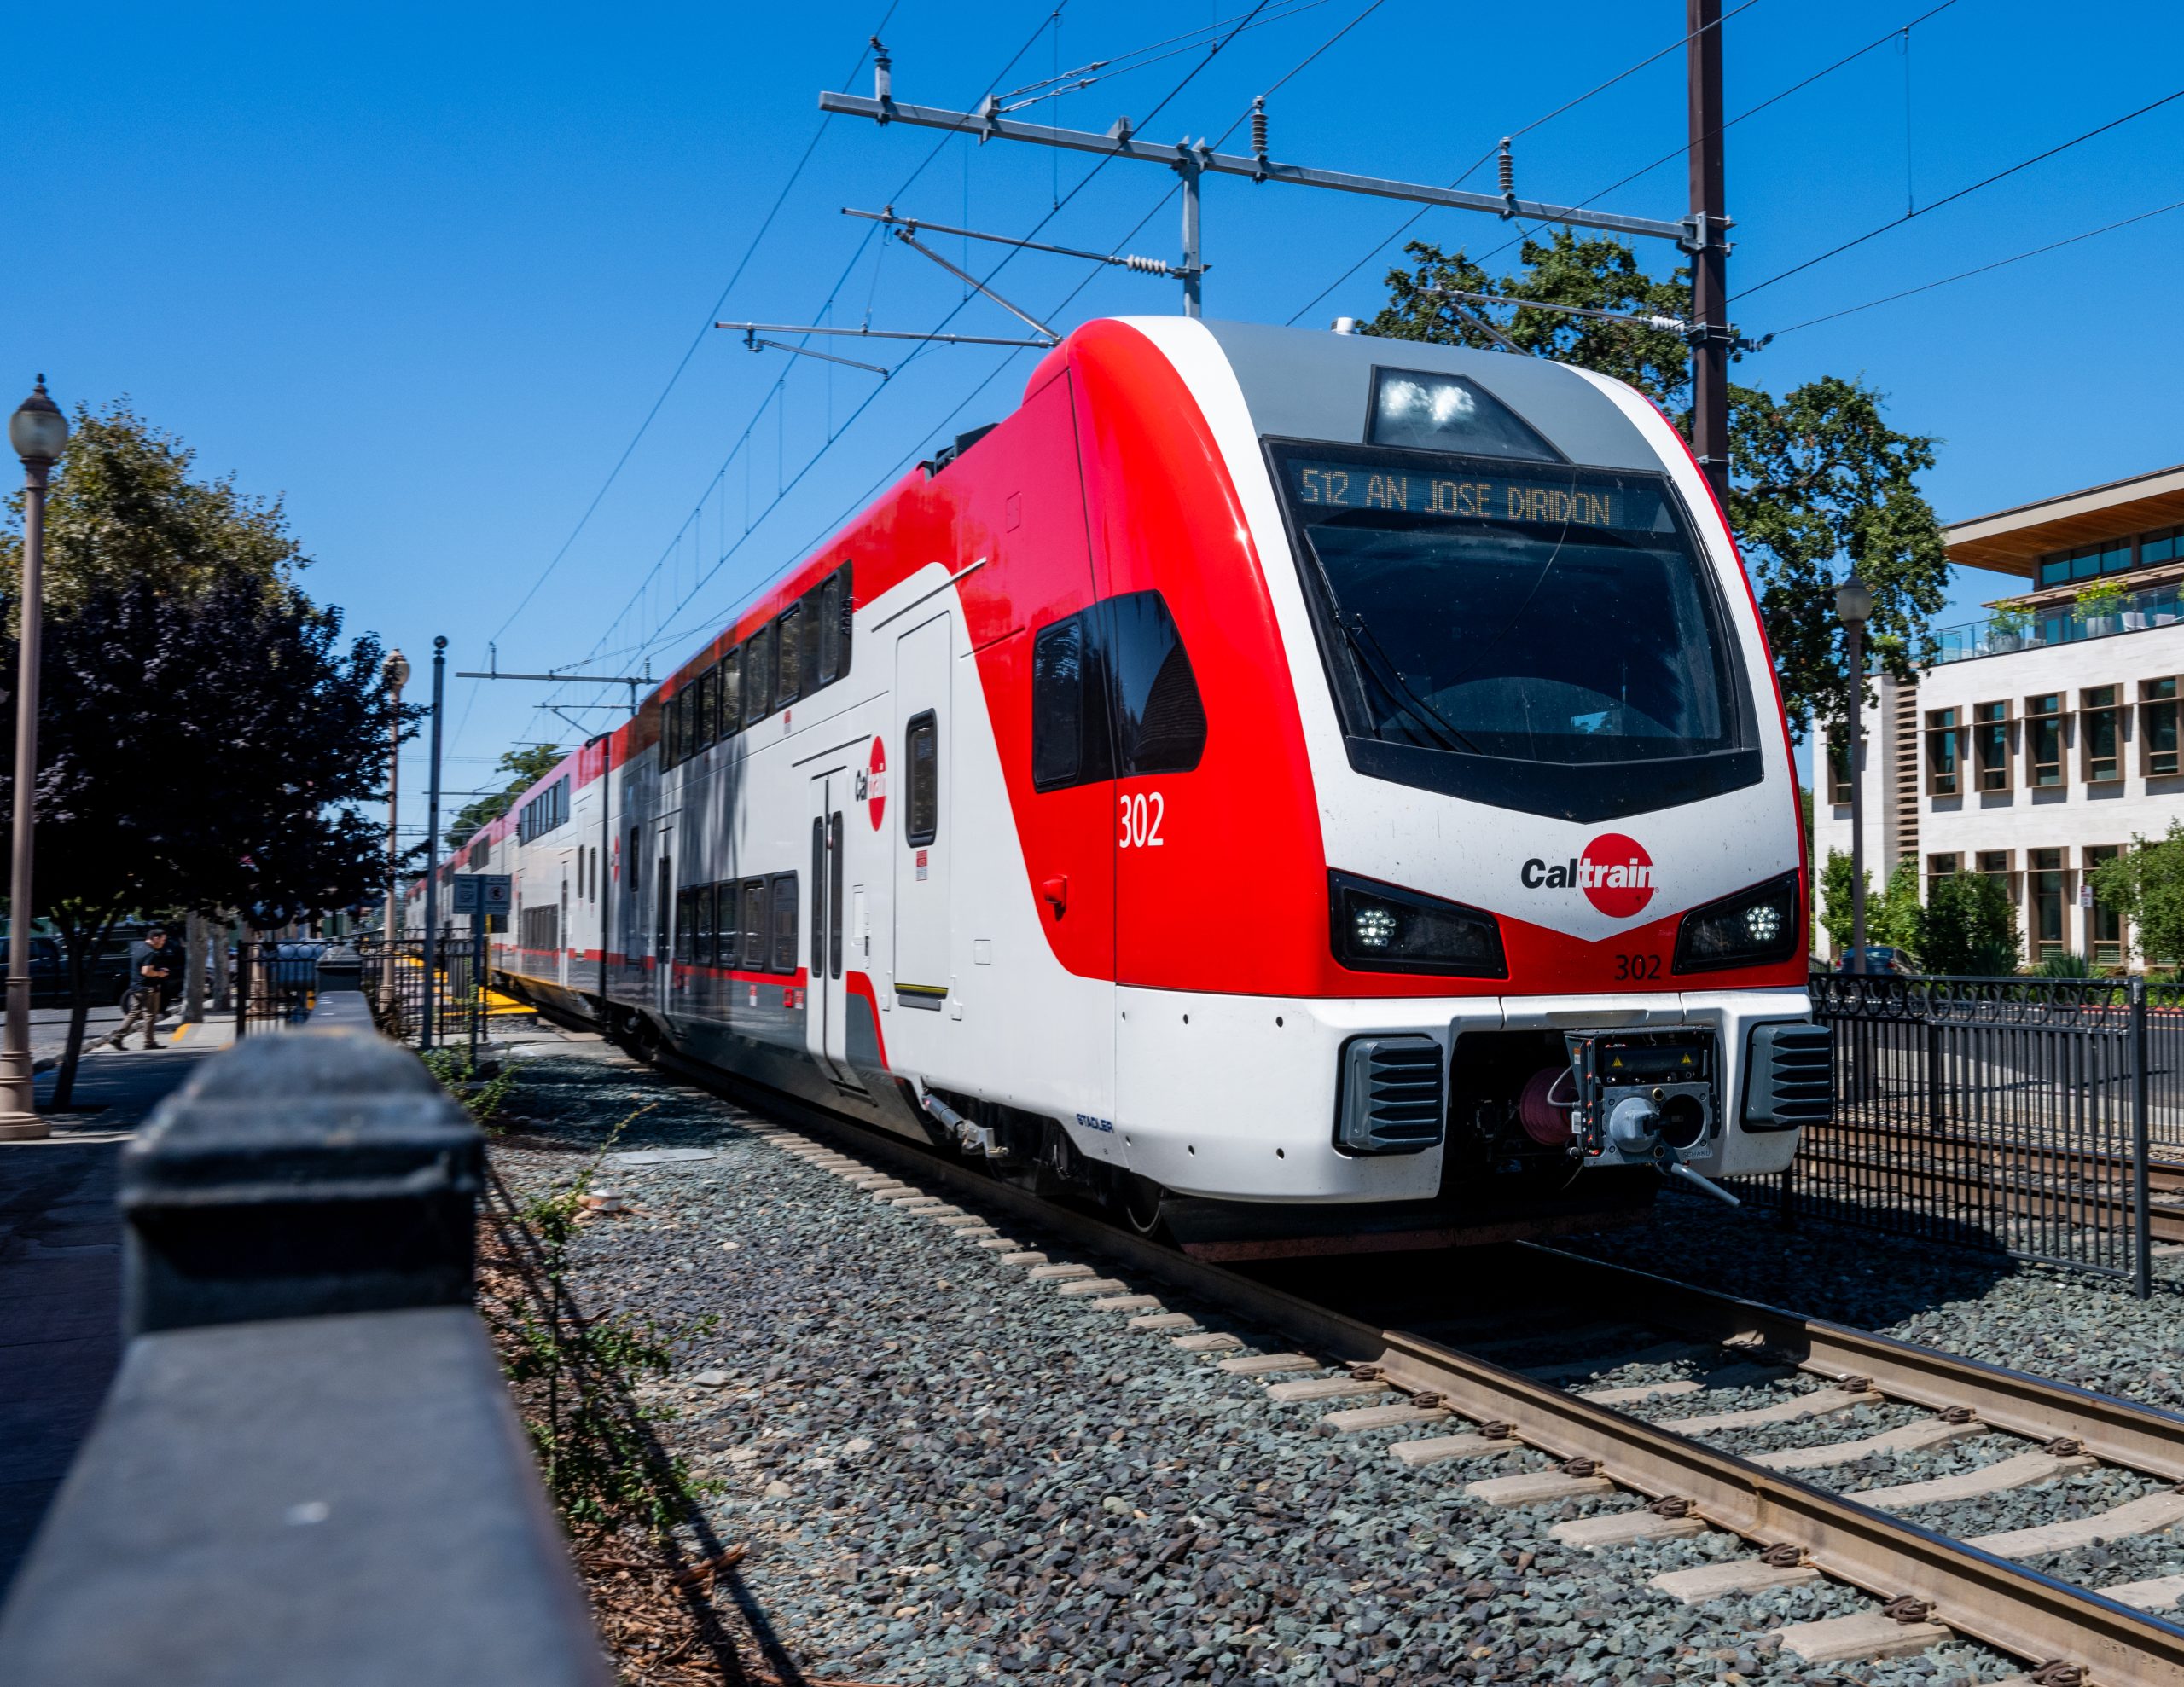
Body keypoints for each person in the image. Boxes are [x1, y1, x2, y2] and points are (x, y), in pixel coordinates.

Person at [106, 925, 177, 1050]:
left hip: (136, 987)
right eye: (162, 940)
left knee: (133, 1013)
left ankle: (117, 1037)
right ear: (155, 938)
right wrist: (159, 974)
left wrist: (158, 970)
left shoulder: (140, 949)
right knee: (150, 1015)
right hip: (148, 988)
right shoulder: (151, 952)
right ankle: (149, 1042)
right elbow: (146, 971)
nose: (163, 943)